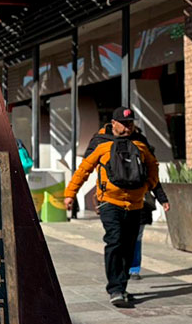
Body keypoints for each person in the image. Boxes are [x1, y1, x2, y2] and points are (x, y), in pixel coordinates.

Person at [63, 107, 168, 308]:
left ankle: (122, 285)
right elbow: (84, 169)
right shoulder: (102, 144)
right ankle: (115, 289)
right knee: (115, 241)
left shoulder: (141, 144)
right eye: (124, 123)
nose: (128, 126)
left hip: (136, 204)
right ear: (114, 123)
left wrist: (156, 193)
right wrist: (70, 194)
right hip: (109, 202)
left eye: (131, 123)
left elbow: (153, 169)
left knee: (129, 246)